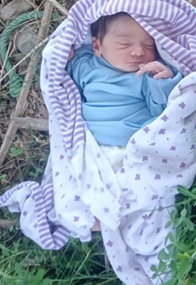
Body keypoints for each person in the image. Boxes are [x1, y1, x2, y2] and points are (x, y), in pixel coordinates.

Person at [66, 12, 183, 230]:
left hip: (133, 145)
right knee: (83, 177)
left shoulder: (146, 77)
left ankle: (123, 216)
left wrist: (164, 81)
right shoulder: (86, 66)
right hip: (93, 145)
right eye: (124, 44)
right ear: (97, 46)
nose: (139, 51)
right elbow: (63, 77)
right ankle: (95, 213)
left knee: (138, 184)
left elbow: (163, 111)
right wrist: (65, 55)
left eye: (149, 45)